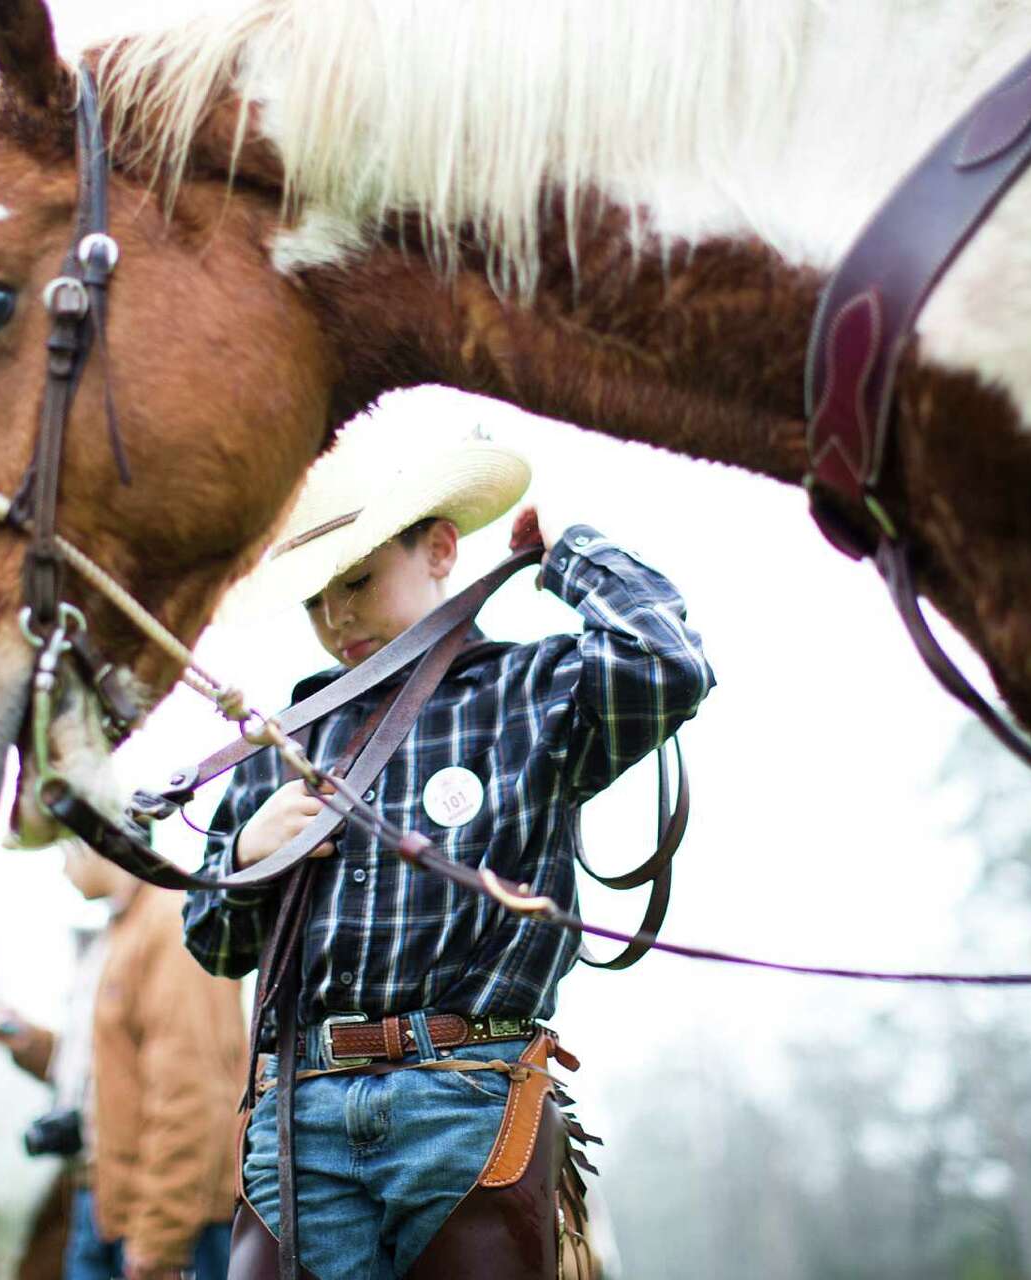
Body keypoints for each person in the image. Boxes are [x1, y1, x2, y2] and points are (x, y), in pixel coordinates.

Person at [182, 425, 713, 1279]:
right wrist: (247, 851)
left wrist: (568, 553)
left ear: (439, 550)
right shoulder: (290, 740)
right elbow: (212, 941)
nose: (338, 616)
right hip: (302, 1108)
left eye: (357, 580)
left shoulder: (529, 691)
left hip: (465, 1090)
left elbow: (667, 664)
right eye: (316, 598)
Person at [0, 841, 246, 1280]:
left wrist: (161, 1236)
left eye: (65, 853)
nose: (61, 870)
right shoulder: (123, 928)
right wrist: (26, 1041)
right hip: (109, 1203)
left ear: (97, 841)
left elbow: (190, 1094)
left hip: (153, 1216)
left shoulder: (169, 924)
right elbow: (111, 1074)